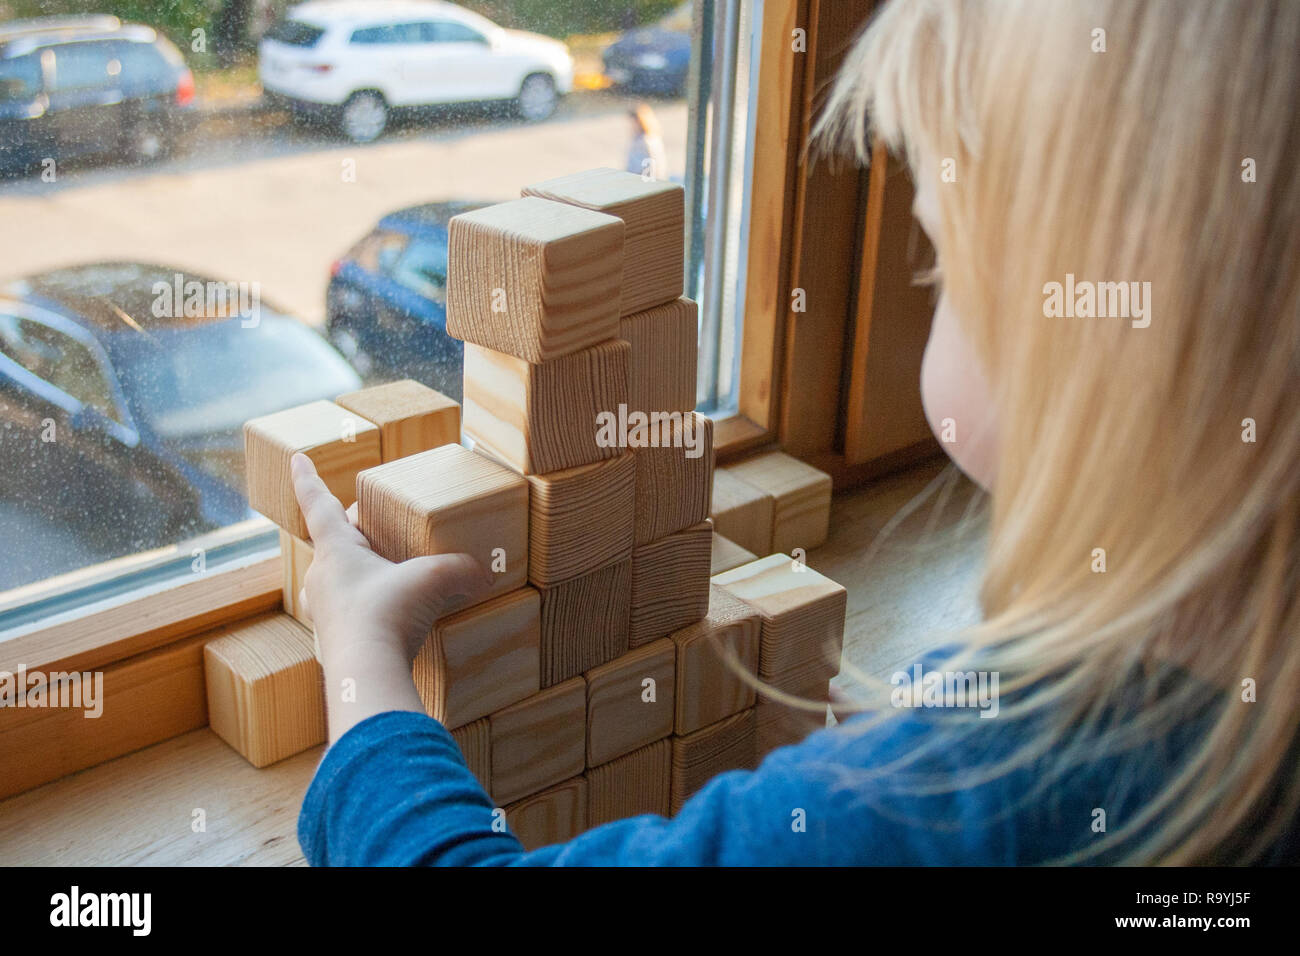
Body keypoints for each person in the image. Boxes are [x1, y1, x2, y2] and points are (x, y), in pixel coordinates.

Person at [291, 0, 1300, 865]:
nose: (929, 285)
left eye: (939, 262)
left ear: (1090, 362)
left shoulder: (976, 791)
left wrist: (361, 654)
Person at [626, 103, 668, 181]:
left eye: (635, 122)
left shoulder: (648, 140)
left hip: (646, 183)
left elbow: (653, 166)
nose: (632, 126)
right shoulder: (638, 138)